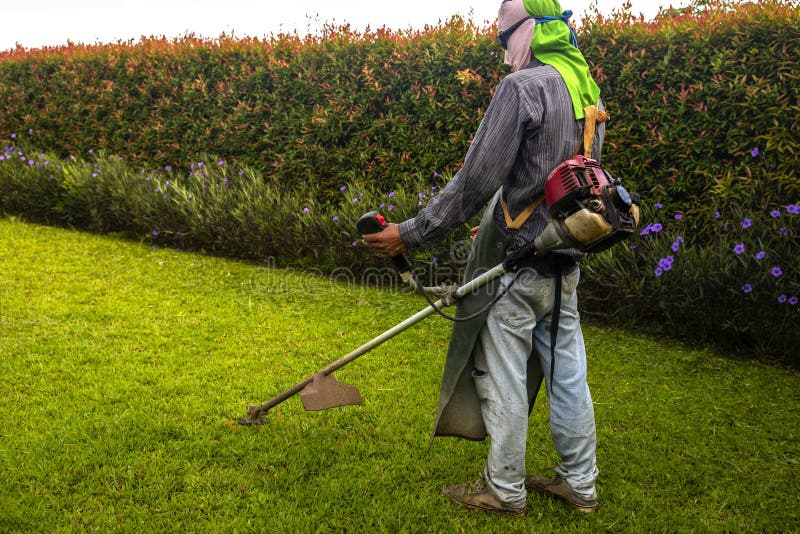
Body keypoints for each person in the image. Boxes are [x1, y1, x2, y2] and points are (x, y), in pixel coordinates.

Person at [362, 0, 603, 516]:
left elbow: (476, 180)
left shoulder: (523, 89)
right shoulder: (586, 88)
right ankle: (581, 485)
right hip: (565, 262)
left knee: (502, 374)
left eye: (502, 39)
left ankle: (504, 489)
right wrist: (504, 211)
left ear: (530, 31)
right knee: (568, 375)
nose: (502, 53)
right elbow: (569, 178)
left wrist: (410, 233)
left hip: (518, 266)